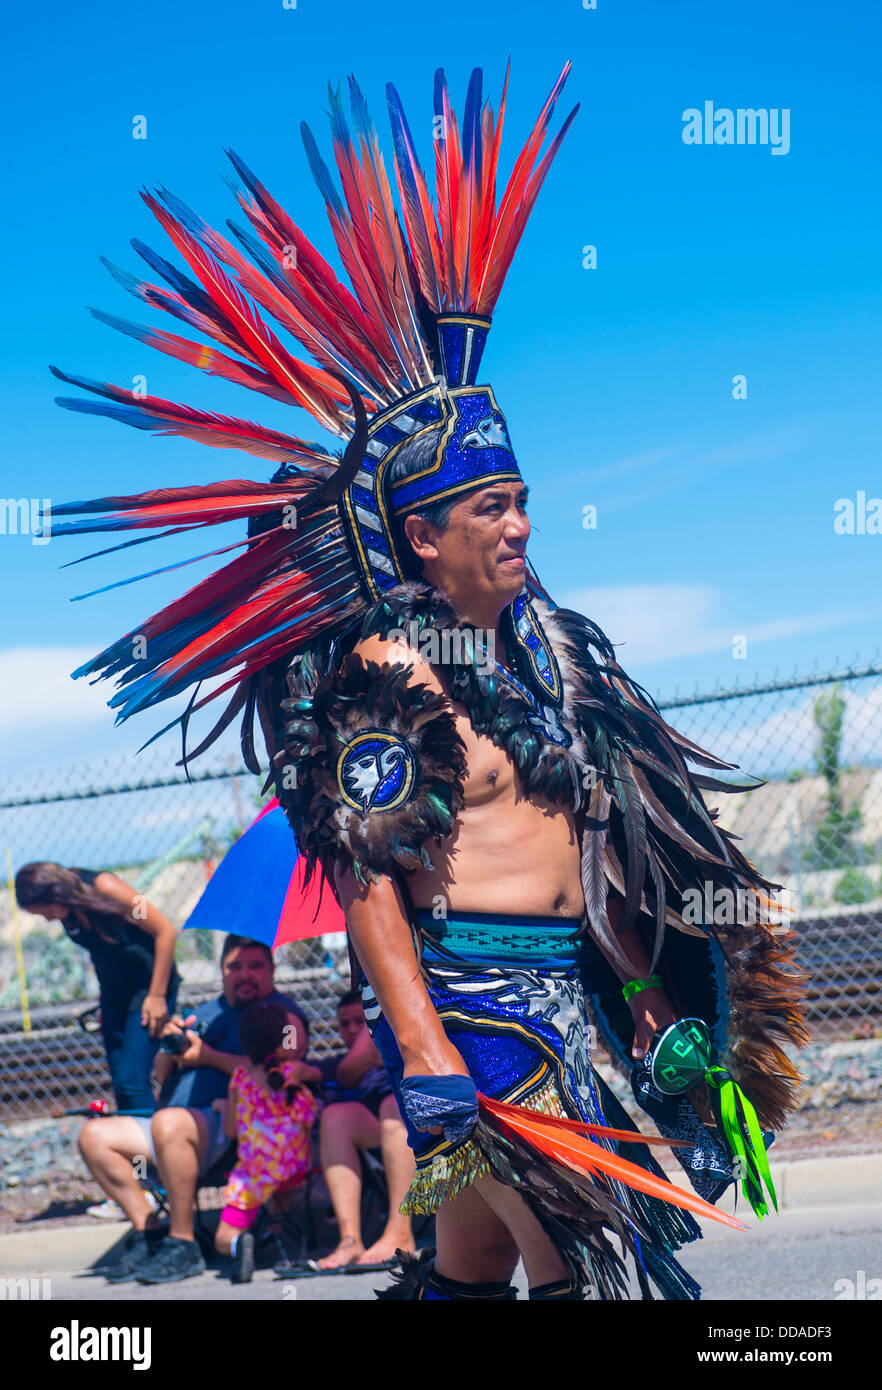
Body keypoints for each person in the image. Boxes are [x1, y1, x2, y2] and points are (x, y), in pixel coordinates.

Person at [51, 62, 806, 1299]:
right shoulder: (381, 683)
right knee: (613, 1273)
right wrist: (423, 1054)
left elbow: (595, 845)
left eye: (522, 502)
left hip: (575, 999)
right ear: (419, 538)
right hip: (481, 1023)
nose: (521, 527)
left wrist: (650, 994)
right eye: (489, 507)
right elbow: (371, 885)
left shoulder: (557, 650)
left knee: (475, 1258)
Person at [78, 934, 308, 1285]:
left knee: (169, 1123)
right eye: (234, 966)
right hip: (174, 1126)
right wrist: (171, 1046)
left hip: (231, 1125)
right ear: (222, 971)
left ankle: (183, 1243)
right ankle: (151, 1234)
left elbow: (288, 1067)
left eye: (255, 966)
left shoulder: (283, 1015)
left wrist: (209, 1057)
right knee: (94, 1135)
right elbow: (159, 1073)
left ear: (272, 970)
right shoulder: (203, 1013)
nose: (244, 975)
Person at [14, 862, 179, 1112]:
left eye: (46, 911)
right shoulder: (71, 909)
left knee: (133, 1080)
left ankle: (154, 1146)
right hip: (114, 995)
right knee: (122, 1084)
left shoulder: (106, 888)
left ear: (55, 893)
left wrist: (157, 996)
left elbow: (164, 931)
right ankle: (133, 1146)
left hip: (147, 991)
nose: (47, 919)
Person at [213, 999, 321, 1283]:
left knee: (222, 1238)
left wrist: (223, 1107)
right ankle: (275, 1239)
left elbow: (232, 1132)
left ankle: (240, 1244)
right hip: (294, 1168)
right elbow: (321, 1074)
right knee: (279, 1183)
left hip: (255, 1176)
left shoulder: (240, 1079)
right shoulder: (294, 1072)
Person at [315, 990, 415, 1270]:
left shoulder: (396, 1016)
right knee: (335, 1117)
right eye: (344, 1025)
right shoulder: (360, 1048)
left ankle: (401, 1232)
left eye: (360, 1021)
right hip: (373, 1113)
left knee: (391, 1108)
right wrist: (368, 1052)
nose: (352, 1030)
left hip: (412, 1107)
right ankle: (350, 1239)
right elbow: (344, 1074)